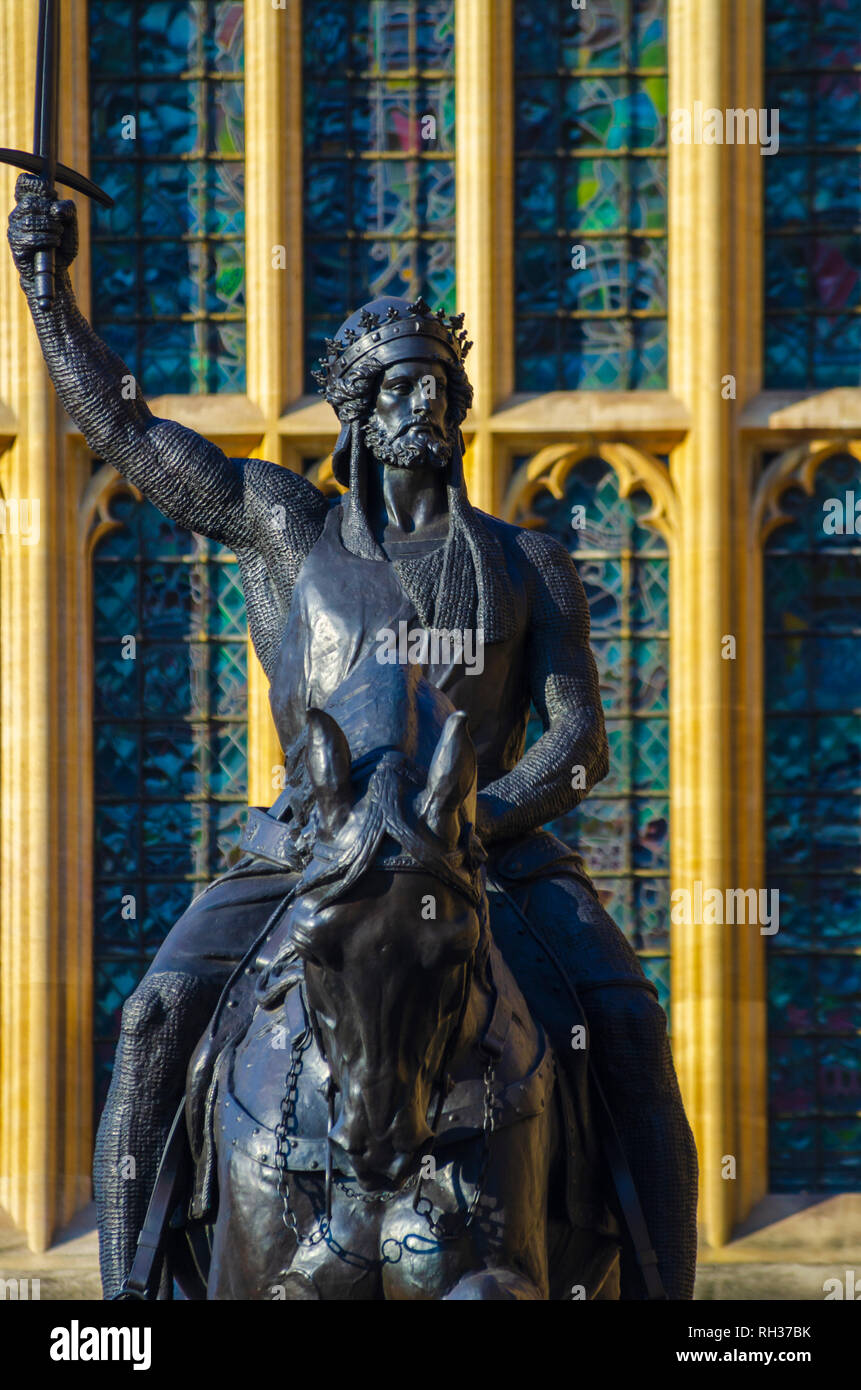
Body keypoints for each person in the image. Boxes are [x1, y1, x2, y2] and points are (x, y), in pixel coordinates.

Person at [8, 173, 698, 1299]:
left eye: (437, 388)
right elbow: (127, 431)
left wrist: (470, 823)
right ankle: (126, 1309)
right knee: (151, 1018)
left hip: (496, 856)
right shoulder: (289, 529)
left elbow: (579, 741)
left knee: (627, 1021)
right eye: (396, 388)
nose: (420, 406)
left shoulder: (526, 562)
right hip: (306, 853)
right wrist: (45, 285)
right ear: (356, 410)